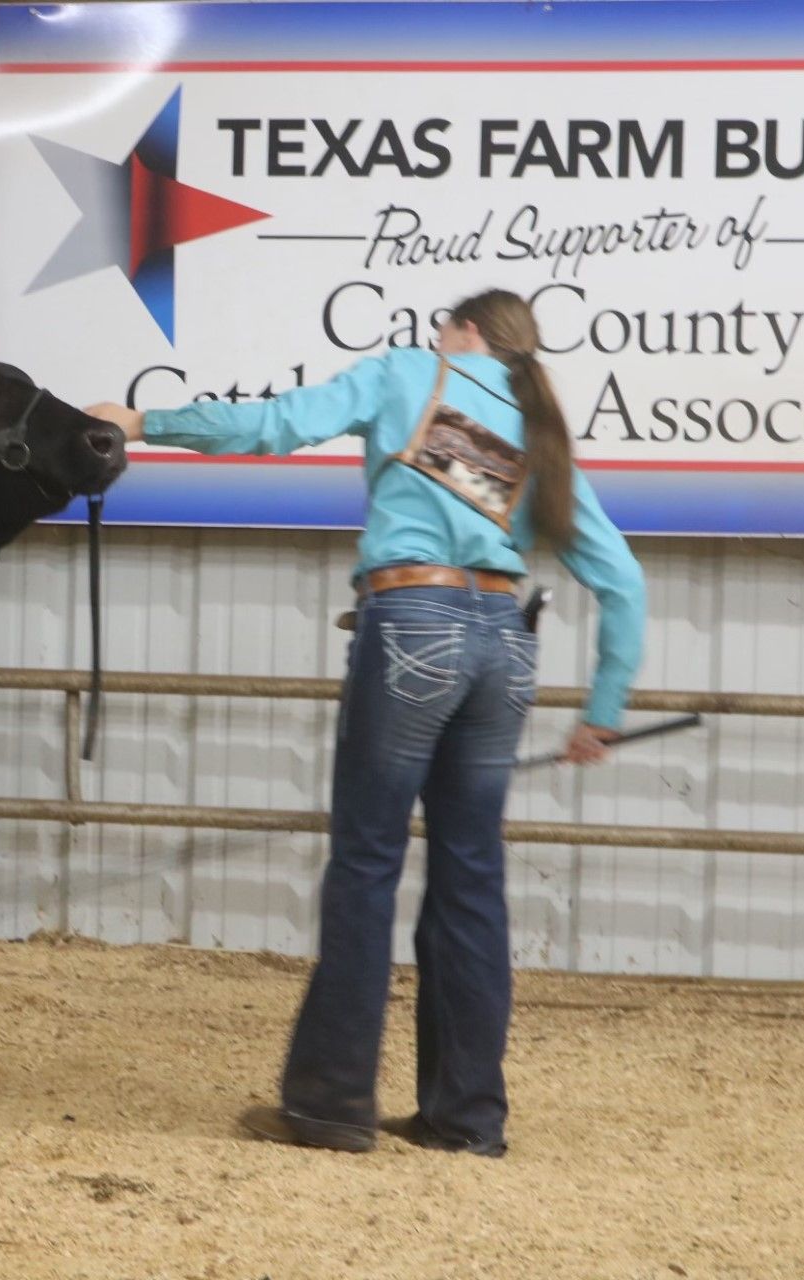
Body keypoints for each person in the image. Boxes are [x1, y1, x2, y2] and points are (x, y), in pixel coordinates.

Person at [85, 289, 645, 1158]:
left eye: (440, 330)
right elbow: (624, 583)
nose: (432, 341)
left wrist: (143, 418)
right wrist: (602, 712)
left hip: (412, 625)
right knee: (471, 878)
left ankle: (331, 1104)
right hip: (505, 645)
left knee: (367, 862)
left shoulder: (406, 374)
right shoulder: (542, 433)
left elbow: (272, 427)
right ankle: (465, 1118)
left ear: (464, 332)